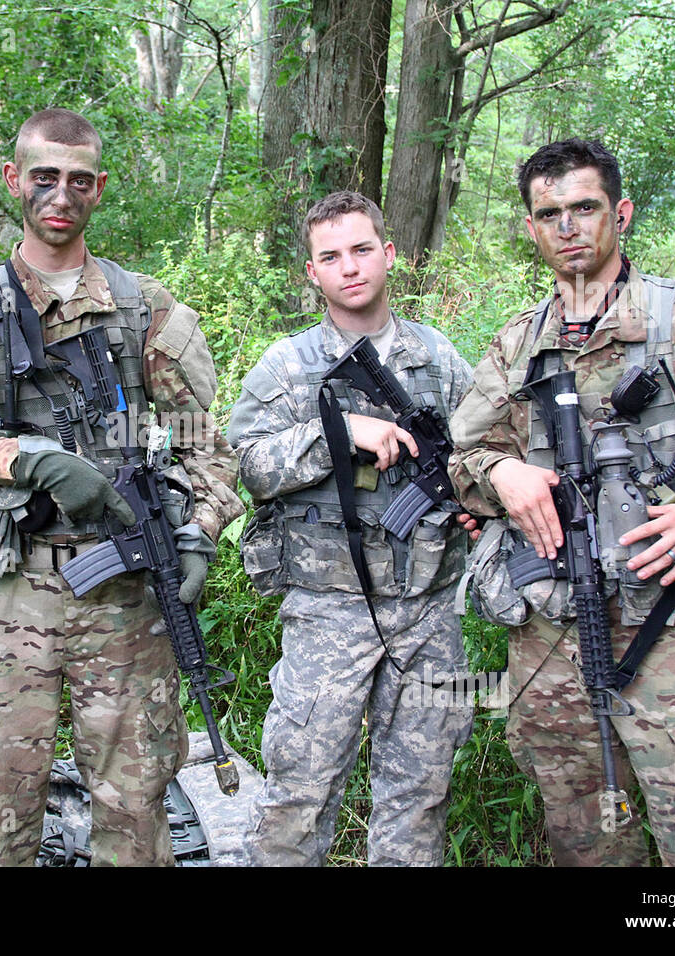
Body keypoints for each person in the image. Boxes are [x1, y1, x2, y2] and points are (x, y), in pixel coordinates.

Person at [0, 107, 242, 866]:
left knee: (137, 806)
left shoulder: (145, 307)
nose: (61, 194)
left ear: (99, 189)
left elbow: (205, 444)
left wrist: (199, 533)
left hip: (125, 597)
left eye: (79, 181)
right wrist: (24, 460)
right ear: (15, 180)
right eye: (44, 177)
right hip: (8, 594)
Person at [448, 138, 675, 866]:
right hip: (551, 624)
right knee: (583, 831)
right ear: (530, 228)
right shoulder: (516, 346)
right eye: (549, 214)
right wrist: (502, 477)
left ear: (621, 212)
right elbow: (457, 457)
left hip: (668, 624)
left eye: (585, 208)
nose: (568, 227)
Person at [228, 191, 477, 866]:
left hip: (430, 614)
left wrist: (478, 503)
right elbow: (244, 461)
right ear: (312, 272)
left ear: (389, 255)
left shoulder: (439, 358)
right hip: (327, 612)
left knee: (418, 797)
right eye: (330, 256)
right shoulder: (287, 365)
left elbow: (486, 453)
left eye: (363, 250)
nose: (350, 268)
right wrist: (339, 434)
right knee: (298, 797)